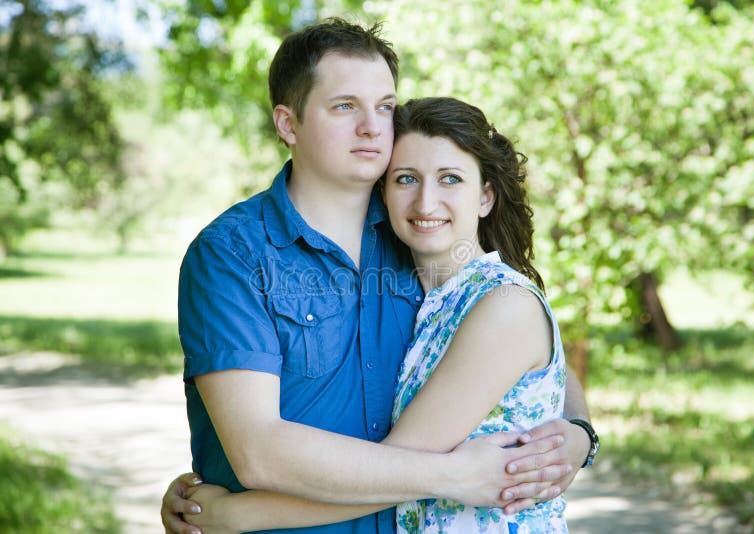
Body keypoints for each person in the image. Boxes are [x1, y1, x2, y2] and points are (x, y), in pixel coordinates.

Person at [162, 18, 597, 534]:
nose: (372, 127)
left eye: (385, 107)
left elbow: (526, 346)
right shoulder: (233, 255)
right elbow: (260, 452)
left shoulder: (415, 229)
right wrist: (453, 475)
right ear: (288, 124)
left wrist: (576, 436)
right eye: (345, 106)